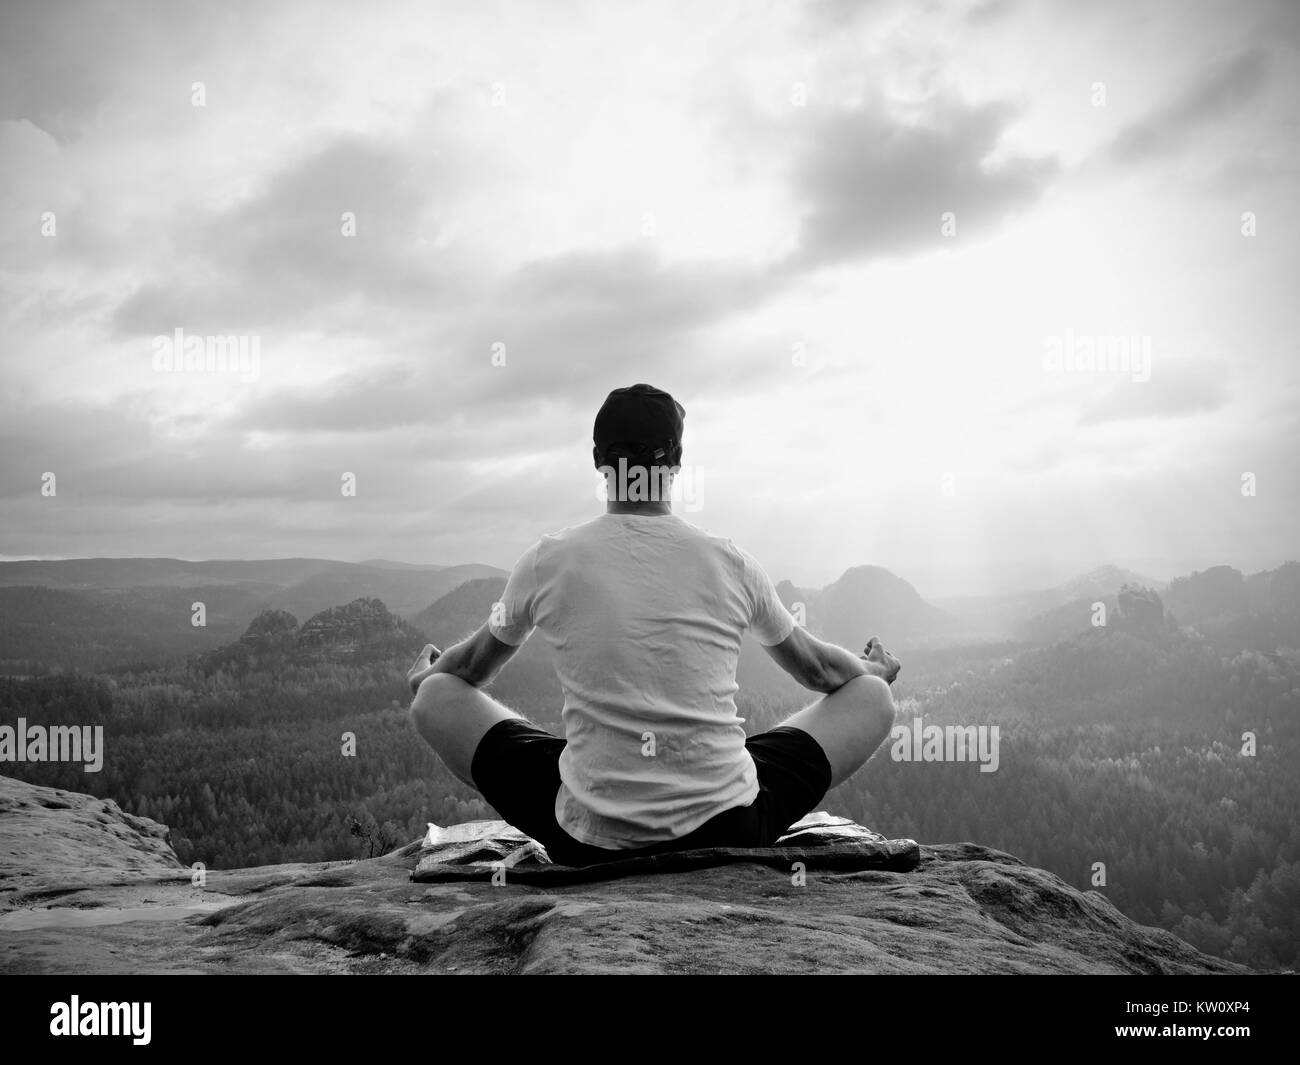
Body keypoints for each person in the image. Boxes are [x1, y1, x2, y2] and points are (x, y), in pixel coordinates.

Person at [408, 383, 900, 867]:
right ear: (677, 463)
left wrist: (429, 677)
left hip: (589, 840)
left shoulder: (549, 561)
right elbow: (817, 670)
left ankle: (604, 781)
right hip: (730, 824)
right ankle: (707, 778)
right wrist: (872, 671)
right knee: (872, 698)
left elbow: (471, 668)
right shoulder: (729, 562)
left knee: (435, 698)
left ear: (599, 461)